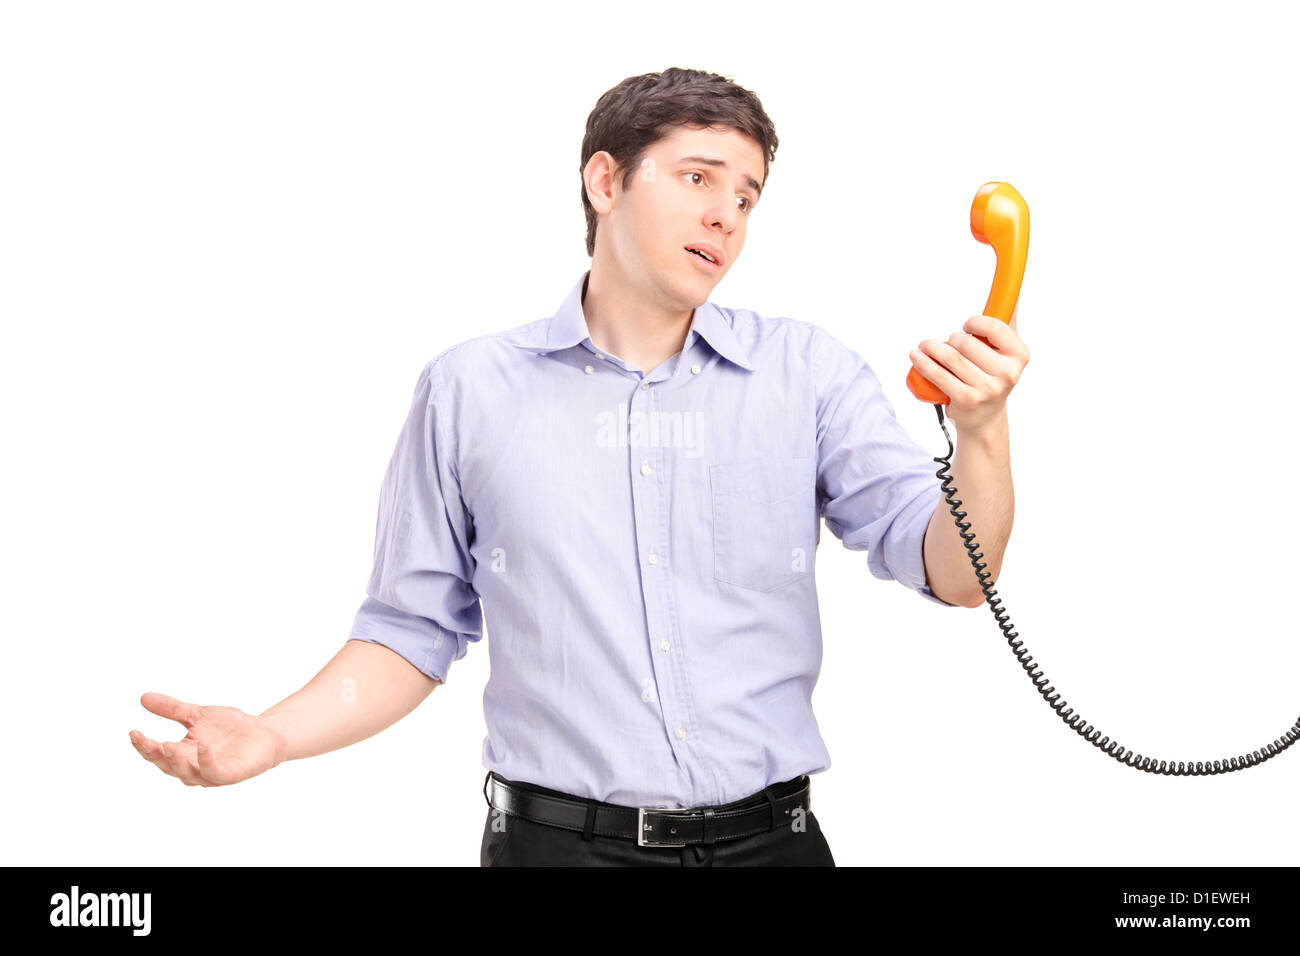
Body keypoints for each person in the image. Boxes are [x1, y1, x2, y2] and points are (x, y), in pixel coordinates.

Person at [129, 67, 1028, 866]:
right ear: (606, 179)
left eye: (748, 197)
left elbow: (955, 572)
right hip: (555, 852)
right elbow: (408, 633)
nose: (727, 213)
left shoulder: (807, 374)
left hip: (775, 848)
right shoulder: (468, 390)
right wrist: (274, 735)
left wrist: (982, 430)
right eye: (697, 178)